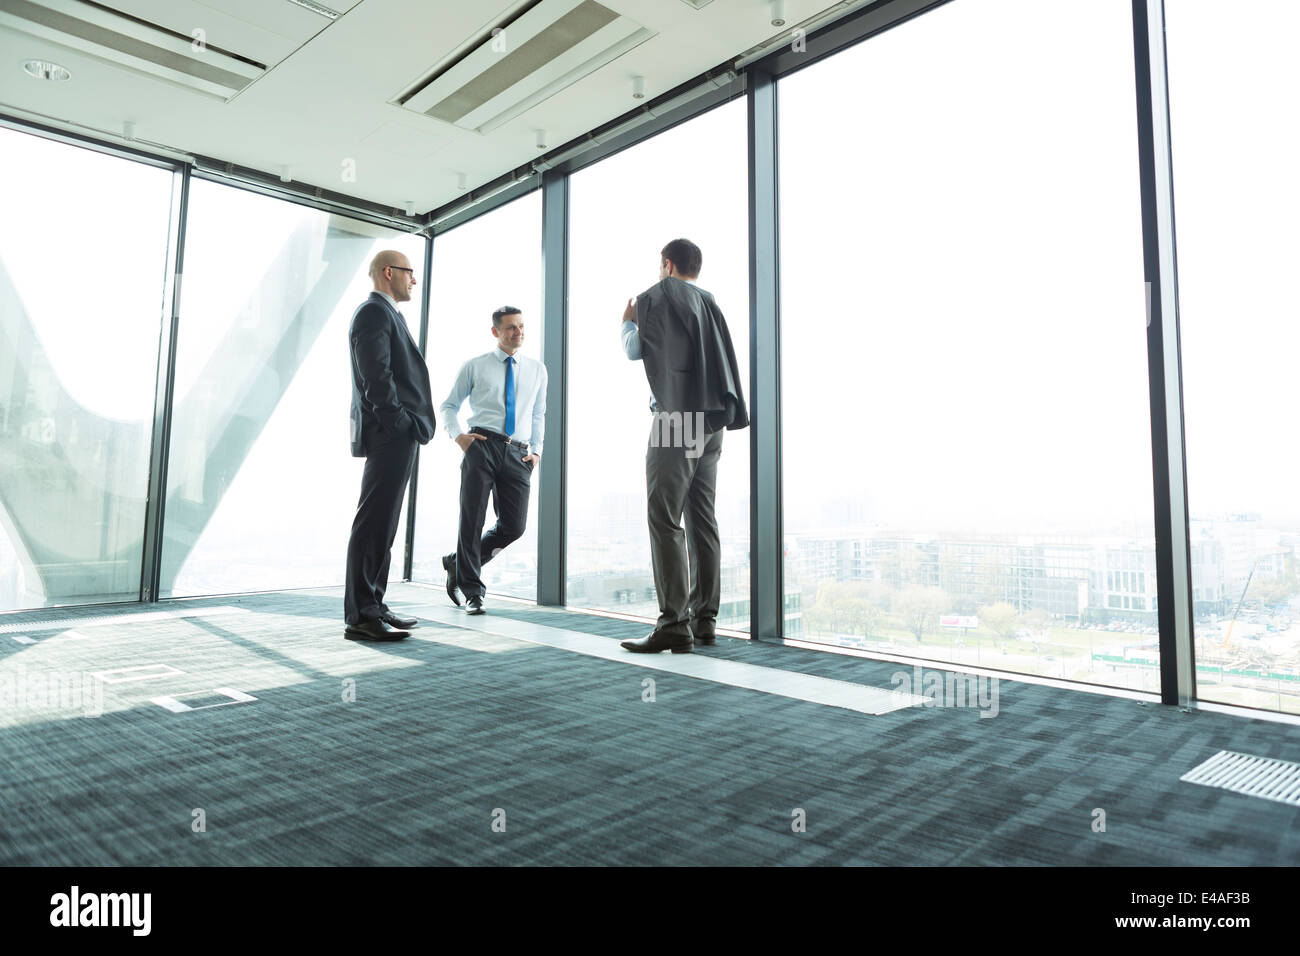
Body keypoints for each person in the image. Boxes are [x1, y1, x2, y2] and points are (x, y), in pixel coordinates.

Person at [619, 238, 748, 653]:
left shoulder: (658, 296)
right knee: (701, 520)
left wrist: (627, 323)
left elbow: (638, 350)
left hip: (678, 419)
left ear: (667, 264)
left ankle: (673, 623)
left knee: (663, 517)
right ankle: (703, 620)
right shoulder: (708, 302)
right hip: (712, 421)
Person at [343, 250, 435, 641]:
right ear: (388, 272)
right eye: (409, 272)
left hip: (397, 432)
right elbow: (375, 376)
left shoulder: (387, 314)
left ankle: (374, 604)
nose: (414, 280)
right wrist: (399, 422)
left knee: (385, 522)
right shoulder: (373, 313)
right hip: (390, 432)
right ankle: (362, 615)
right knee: (374, 522)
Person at [440, 307, 547, 615]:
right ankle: (473, 592)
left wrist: (536, 451)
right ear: (496, 332)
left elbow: (539, 413)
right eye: (511, 327)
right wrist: (459, 437)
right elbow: (449, 406)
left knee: (514, 526)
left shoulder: (537, 369)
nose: (518, 332)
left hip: (518, 452)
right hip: (481, 446)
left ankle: (457, 564)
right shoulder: (475, 366)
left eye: (522, 326)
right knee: (471, 521)